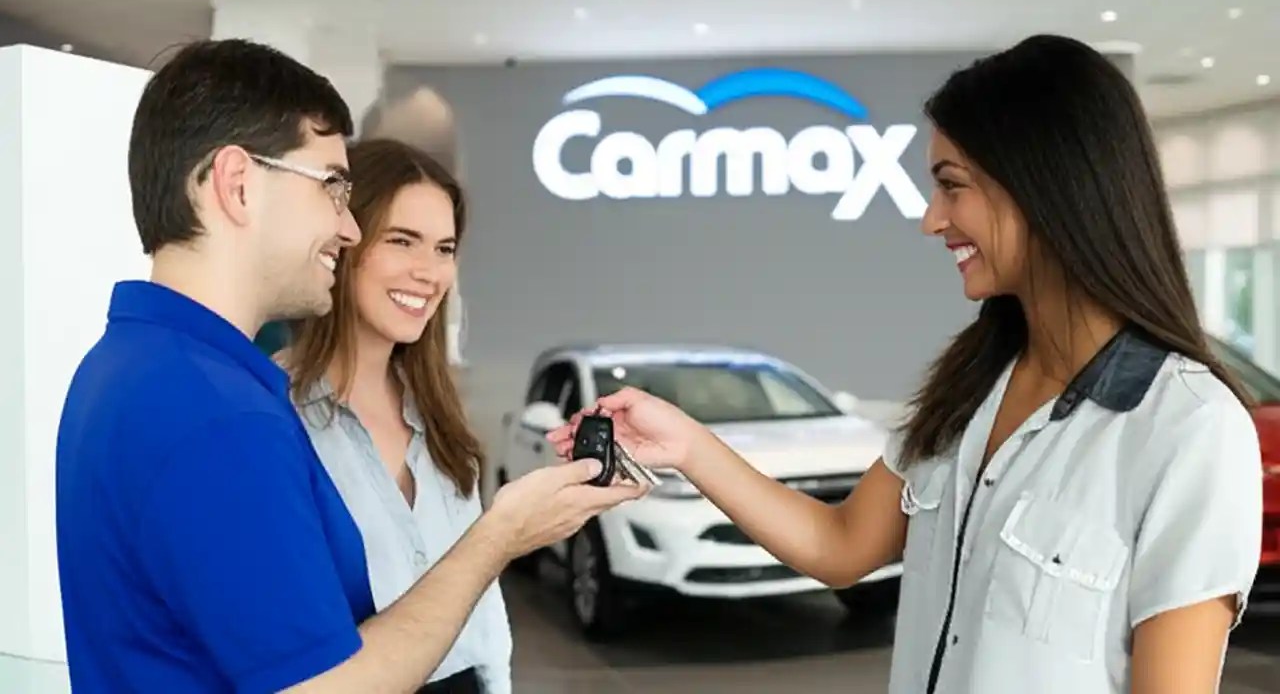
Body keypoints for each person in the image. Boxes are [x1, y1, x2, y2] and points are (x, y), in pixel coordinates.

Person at [549, 34, 1263, 694]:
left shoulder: (1188, 430)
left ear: (1047, 185)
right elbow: (841, 545)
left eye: (953, 185)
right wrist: (688, 444)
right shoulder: (972, 383)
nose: (932, 218)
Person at [55, 38, 644, 694]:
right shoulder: (217, 414)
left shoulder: (132, 368)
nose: (348, 228)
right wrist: (499, 535)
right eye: (332, 188)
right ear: (238, 184)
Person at [276, 138, 509, 694]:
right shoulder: (273, 411)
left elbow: (486, 613)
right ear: (346, 240)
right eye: (403, 241)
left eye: (444, 248)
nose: (428, 273)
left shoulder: (440, 416)